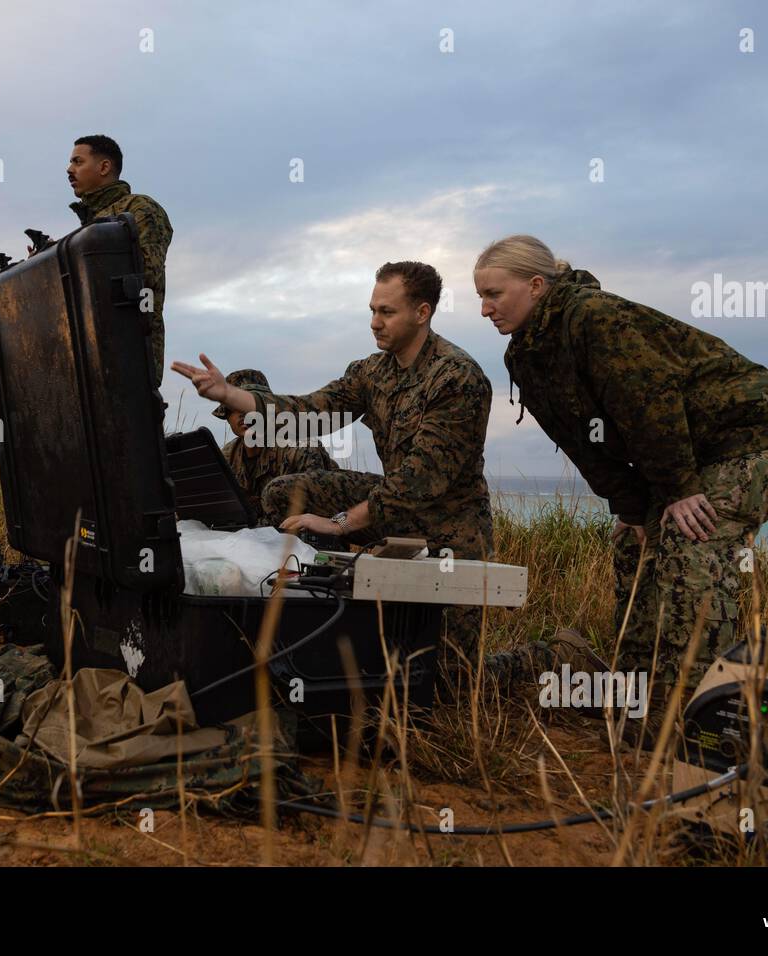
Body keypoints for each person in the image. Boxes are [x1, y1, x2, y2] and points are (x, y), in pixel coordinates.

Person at [474, 234, 768, 724]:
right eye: (481, 296)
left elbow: (652, 402)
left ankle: (701, 718)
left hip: (745, 437)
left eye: (493, 294)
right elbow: (582, 444)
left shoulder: (595, 319)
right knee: (634, 544)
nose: (484, 308)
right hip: (680, 454)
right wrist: (630, 508)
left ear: (536, 285)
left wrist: (679, 490)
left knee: (694, 544)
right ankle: (637, 702)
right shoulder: (524, 356)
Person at [172, 261, 495, 669]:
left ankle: (560, 651)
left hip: (450, 528)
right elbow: (309, 412)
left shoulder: (456, 377)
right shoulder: (371, 373)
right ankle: (321, 614)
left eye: (387, 312)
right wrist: (231, 394)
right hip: (393, 510)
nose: (375, 322)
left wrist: (339, 523)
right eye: (372, 311)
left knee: (448, 679)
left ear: (423, 312)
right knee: (285, 492)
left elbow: (419, 481)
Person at [66, 134, 173, 384]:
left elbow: (145, 277)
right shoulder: (85, 229)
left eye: (78, 162)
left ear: (104, 167)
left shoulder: (140, 208)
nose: (69, 170)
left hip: (130, 352)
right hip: (88, 356)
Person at [213, 369, 339, 525]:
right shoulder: (226, 456)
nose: (243, 414)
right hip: (246, 542)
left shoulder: (300, 448)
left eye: (248, 405)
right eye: (233, 407)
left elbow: (319, 513)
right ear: (226, 416)